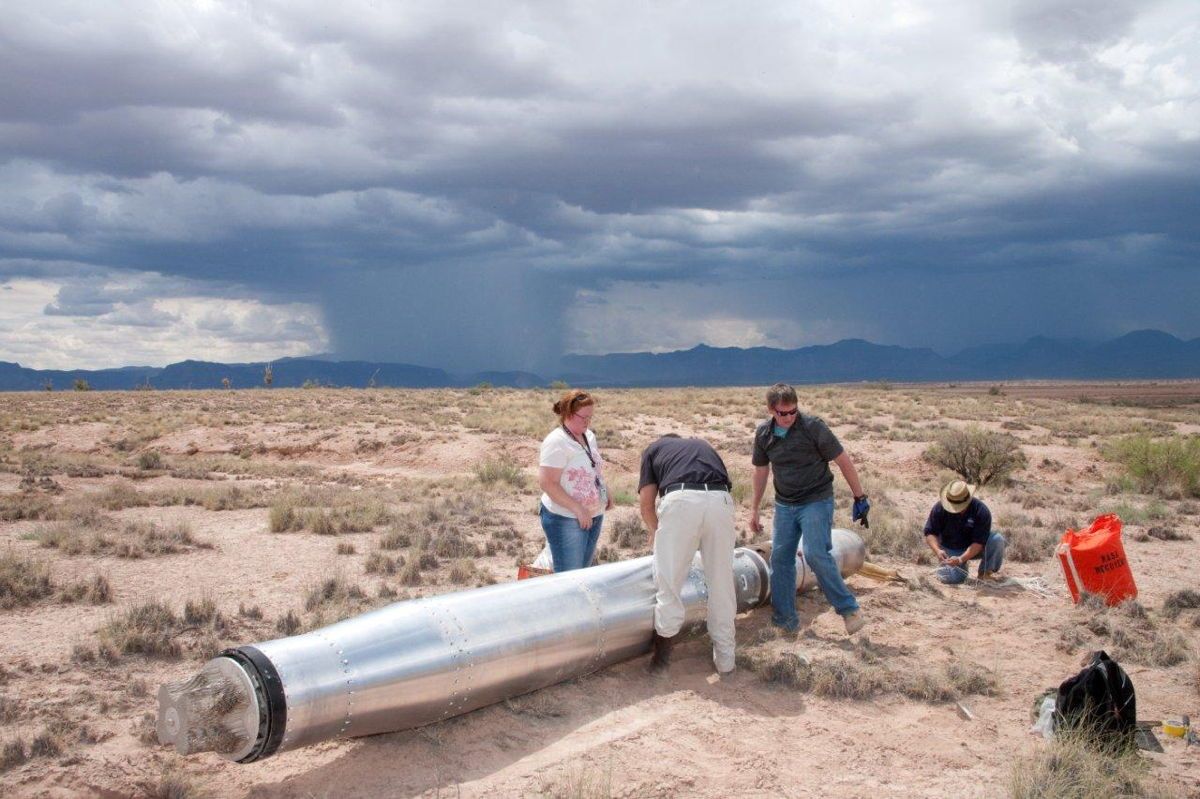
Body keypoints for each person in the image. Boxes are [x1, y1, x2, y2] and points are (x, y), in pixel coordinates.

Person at [750, 383, 870, 635]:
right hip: (785, 504)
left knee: (816, 553)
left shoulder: (813, 427)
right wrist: (755, 509)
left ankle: (849, 609)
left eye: (793, 411)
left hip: (816, 499)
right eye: (783, 413)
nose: (789, 417)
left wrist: (859, 496)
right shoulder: (763, 434)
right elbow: (761, 471)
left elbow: (842, 459)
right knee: (781, 559)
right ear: (772, 410)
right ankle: (786, 620)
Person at [638, 434, 737, 675]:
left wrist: (656, 531)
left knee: (669, 582)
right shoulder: (703, 445)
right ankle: (726, 661)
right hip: (720, 500)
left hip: (681, 500)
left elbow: (646, 504)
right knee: (721, 582)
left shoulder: (653, 450)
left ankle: (661, 661)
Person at [537, 389, 612, 571]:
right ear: (569, 414)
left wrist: (605, 491)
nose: (587, 422)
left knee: (581, 573)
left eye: (590, 417)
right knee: (569, 576)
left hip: (593, 515)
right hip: (566, 518)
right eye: (583, 417)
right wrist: (578, 509)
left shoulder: (589, 437)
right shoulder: (556, 442)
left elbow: (592, 468)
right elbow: (547, 483)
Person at [924, 480, 1006, 584]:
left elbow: (979, 542)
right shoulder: (939, 508)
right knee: (952, 579)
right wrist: (938, 551)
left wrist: (960, 559)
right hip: (951, 549)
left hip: (974, 547)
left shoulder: (981, 511)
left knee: (997, 539)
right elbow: (930, 532)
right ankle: (958, 570)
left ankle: (985, 573)